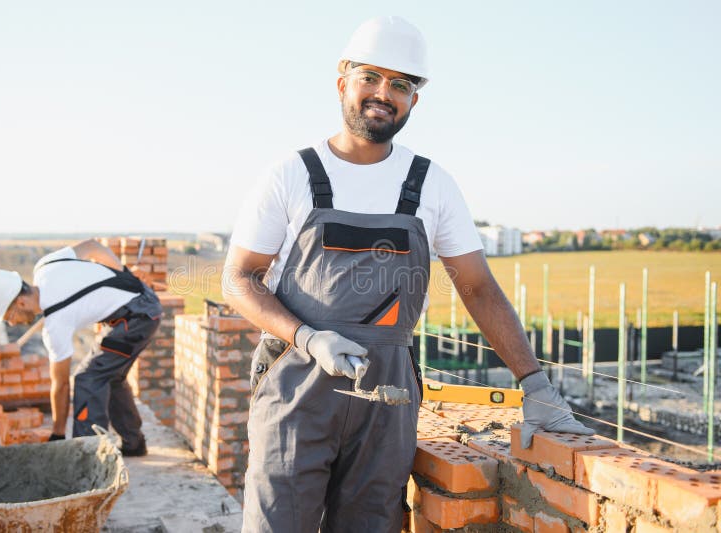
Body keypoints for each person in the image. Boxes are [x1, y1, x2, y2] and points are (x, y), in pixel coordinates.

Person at [222, 16, 593, 532]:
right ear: (342, 82)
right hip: (295, 390)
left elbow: (478, 287)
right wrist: (309, 337)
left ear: (414, 100)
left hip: (386, 400)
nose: (383, 93)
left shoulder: (431, 185)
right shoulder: (291, 175)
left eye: (401, 84)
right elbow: (239, 279)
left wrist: (535, 386)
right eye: (371, 77)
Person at [0, 239, 162, 456]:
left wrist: (57, 433)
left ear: (21, 303)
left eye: (9, 317)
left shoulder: (56, 321)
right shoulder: (45, 266)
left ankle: (91, 457)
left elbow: (61, 384)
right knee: (110, 375)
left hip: (137, 318)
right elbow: (93, 246)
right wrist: (124, 275)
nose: (12, 324)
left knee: (88, 379)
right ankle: (133, 443)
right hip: (142, 306)